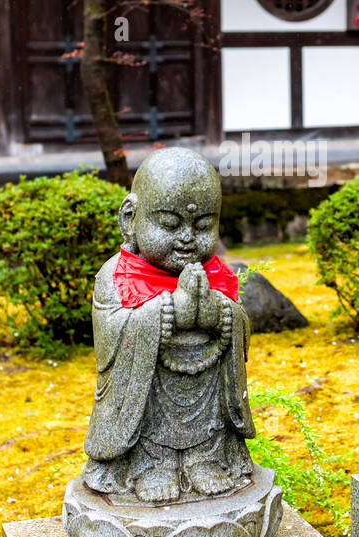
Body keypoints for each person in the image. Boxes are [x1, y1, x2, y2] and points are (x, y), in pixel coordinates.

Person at [79, 148, 255, 503]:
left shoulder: (216, 278)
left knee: (211, 417)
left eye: (203, 225)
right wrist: (168, 310)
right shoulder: (118, 277)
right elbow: (110, 339)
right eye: (171, 225)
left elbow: (242, 330)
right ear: (130, 218)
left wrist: (218, 315)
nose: (188, 237)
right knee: (146, 418)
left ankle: (206, 458)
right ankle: (148, 466)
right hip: (144, 419)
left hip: (207, 413)